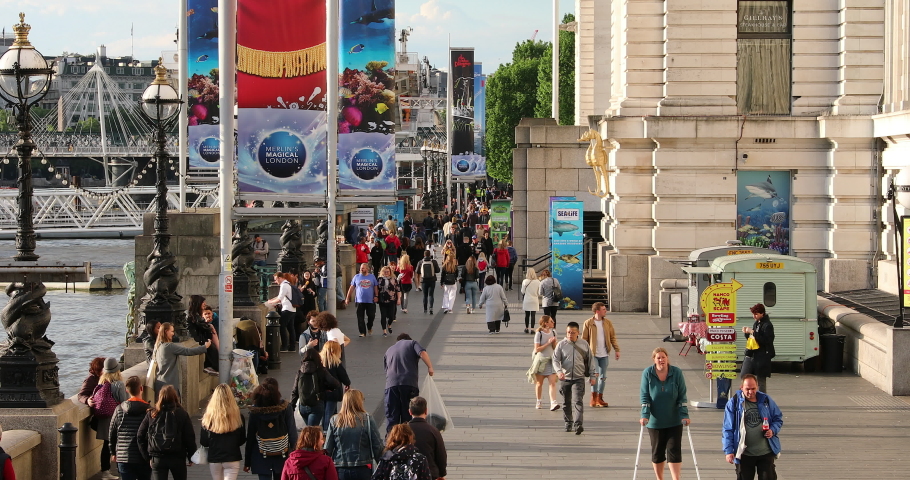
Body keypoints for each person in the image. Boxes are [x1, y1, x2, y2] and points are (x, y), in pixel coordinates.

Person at [639, 347, 690, 480]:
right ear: (654, 360)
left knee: (674, 450)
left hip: (674, 420)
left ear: (667, 358)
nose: (661, 360)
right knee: (657, 452)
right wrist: (645, 415)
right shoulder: (648, 373)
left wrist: (684, 415)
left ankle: (676, 478)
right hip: (655, 421)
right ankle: (659, 478)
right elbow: (645, 396)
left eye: (663, 357)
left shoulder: (676, 373)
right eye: (658, 358)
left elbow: (682, 396)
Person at [722, 374, 783, 480]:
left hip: (765, 452)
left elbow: (778, 418)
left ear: (757, 386)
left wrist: (772, 430)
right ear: (741, 388)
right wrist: (729, 451)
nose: (750, 392)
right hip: (744, 454)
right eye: (747, 389)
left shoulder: (766, 400)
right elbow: (728, 429)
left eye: (753, 388)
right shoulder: (734, 403)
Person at [137, 385, 197, 480]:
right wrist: (191, 456)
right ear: (175, 397)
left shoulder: (152, 414)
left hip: (157, 458)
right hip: (177, 457)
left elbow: (140, 435)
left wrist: (147, 457)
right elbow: (189, 437)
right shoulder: (182, 414)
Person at [324, 389, 383, 480]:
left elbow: (328, 448)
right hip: (363, 467)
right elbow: (377, 445)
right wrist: (382, 466)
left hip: (340, 467)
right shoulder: (367, 419)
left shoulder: (334, 420)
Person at [245, 380, 299, 480]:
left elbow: (250, 438)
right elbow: (292, 433)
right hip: (282, 456)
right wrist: (296, 456)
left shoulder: (255, 412)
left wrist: (247, 462)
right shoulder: (285, 408)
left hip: (261, 456)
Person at [383, 334, 435, 433]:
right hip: (409, 383)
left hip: (391, 385)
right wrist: (430, 367)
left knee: (392, 416)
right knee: (408, 415)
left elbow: (386, 370)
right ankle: (407, 441)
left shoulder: (389, 349)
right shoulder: (412, 343)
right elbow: (422, 353)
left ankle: (390, 441)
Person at [552, 322, 595, 436]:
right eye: (568, 332)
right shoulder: (561, 345)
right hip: (565, 378)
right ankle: (568, 422)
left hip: (579, 377)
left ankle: (578, 424)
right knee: (566, 402)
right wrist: (559, 372)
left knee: (578, 401)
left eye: (573, 332)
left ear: (578, 333)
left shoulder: (584, 344)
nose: (570, 334)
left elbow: (591, 360)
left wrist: (592, 376)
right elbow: (555, 360)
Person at [200, 384, 246, 480]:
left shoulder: (208, 417)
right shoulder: (238, 417)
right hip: (232, 457)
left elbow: (204, 441)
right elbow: (242, 440)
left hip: (215, 457)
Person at [110, 376, 153, 480]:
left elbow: (112, 432)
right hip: (144, 457)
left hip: (124, 456)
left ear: (126, 390)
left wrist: (113, 452)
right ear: (141, 389)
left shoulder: (119, 409)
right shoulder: (149, 410)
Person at [94, 357, 129, 480]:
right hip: (115, 418)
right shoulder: (118, 384)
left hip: (103, 419)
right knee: (119, 445)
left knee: (106, 445)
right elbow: (124, 403)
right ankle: (121, 470)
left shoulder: (101, 382)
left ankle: (105, 472)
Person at [153, 322, 209, 397]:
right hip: (169, 385)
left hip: (159, 383)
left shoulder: (157, 346)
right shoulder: (169, 346)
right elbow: (188, 351)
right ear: (166, 331)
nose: (173, 334)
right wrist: (205, 347)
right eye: (172, 331)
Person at [581, 302, 621, 408]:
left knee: (603, 377)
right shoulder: (588, 323)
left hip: (604, 353)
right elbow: (584, 339)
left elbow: (613, 337)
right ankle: (593, 399)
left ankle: (600, 397)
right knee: (595, 375)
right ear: (597, 311)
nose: (605, 311)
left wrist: (617, 349)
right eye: (603, 309)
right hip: (593, 353)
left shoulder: (607, 323)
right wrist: (584, 353)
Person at [292, 348, 341, 427]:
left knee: (309, 428)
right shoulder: (321, 370)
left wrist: (292, 406)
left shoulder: (300, 371)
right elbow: (335, 383)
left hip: (303, 405)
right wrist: (326, 388)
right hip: (316, 404)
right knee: (312, 431)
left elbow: (295, 390)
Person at [407, 397, 447, 480]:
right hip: (429, 473)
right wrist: (441, 473)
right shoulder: (433, 431)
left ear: (410, 412)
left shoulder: (401, 430)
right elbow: (441, 454)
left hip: (407, 472)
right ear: (426, 411)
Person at [319, 341, 351, 432]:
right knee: (330, 412)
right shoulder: (336, 363)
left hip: (321, 392)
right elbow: (344, 376)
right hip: (333, 392)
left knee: (324, 412)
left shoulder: (319, 362)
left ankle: (325, 429)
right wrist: (347, 384)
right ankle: (327, 430)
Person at [744, 303, 775, 393]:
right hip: (755, 355)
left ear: (762, 313)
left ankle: (762, 398)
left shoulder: (767, 325)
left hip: (763, 355)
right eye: (753, 314)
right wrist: (747, 333)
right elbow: (753, 340)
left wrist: (752, 332)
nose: (754, 316)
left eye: (756, 314)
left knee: (761, 380)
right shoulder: (757, 323)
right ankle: (754, 396)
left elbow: (766, 340)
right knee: (748, 376)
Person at [531, 316, 560, 411]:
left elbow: (555, 348)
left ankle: (553, 402)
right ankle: (538, 401)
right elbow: (537, 349)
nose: (553, 322)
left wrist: (554, 343)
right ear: (546, 323)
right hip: (541, 361)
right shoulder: (539, 333)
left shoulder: (554, 332)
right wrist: (548, 343)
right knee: (539, 383)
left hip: (551, 361)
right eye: (551, 321)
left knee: (552, 382)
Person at [187, 295, 219, 376]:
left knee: (211, 346)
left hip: (200, 337)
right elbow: (203, 325)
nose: (204, 304)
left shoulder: (195, 314)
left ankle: (211, 366)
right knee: (211, 347)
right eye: (202, 302)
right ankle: (215, 367)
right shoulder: (193, 315)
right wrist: (209, 326)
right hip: (198, 338)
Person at [345, 263, 379, 337]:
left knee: (371, 316)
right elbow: (351, 288)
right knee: (360, 317)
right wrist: (347, 298)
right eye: (361, 268)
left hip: (370, 300)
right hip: (359, 301)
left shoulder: (372, 277)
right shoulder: (356, 277)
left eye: (363, 268)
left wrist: (376, 296)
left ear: (367, 269)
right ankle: (362, 332)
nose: (361, 269)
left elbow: (375, 287)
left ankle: (369, 326)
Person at [267, 272, 297, 352]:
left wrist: (270, 302)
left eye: (276, 280)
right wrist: (274, 301)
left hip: (287, 309)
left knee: (282, 326)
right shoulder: (288, 284)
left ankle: (284, 346)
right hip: (292, 309)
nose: (276, 282)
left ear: (280, 278)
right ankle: (292, 347)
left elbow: (279, 298)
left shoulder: (284, 285)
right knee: (291, 328)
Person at [376, 266, 401, 337]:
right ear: (382, 272)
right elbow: (376, 289)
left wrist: (399, 299)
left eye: (388, 271)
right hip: (382, 300)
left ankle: (389, 324)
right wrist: (376, 297)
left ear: (390, 272)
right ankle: (384, 331)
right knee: (383, 316)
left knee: (391, 316)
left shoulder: (394, 279)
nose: (386, 273)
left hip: (392, 300)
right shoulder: (379, 279)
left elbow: (398, 290)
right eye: (385, 272)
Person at [520, 268, 541, 334]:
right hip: (534, 300)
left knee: (527, 315)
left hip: (527, 299)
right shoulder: (538, 282)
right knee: (533, 315)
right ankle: (532, 329)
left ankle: (526, 328)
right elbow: (539, 292)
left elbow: (522, 291)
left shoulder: (525, 281)